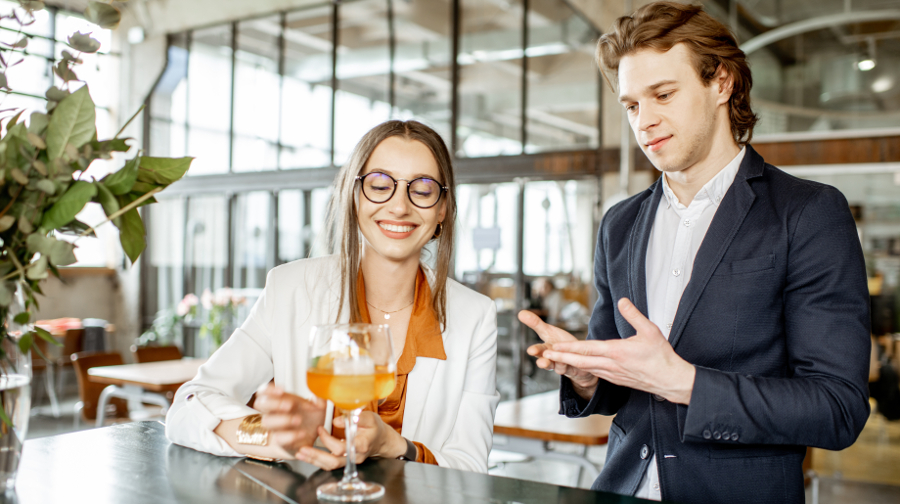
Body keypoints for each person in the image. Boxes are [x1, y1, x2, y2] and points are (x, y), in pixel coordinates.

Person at [520, 3, 871, 503]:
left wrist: (684, 382)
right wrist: (585, 376)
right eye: (632, 105)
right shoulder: (619, 225)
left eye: (663, 94)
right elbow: (618, 378)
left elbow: (837, 408)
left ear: (722, 83)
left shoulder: (807, 213)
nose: (645, 121)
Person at [166, 120, 500, 473]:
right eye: (380, 185)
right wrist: (273, 437)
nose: (399, 206)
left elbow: (470, 468)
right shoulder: (290, 288)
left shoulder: (476, 316)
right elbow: (189, 406)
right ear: (354, 195)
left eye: (422, 189)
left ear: (442, 208)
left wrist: (395, 446)